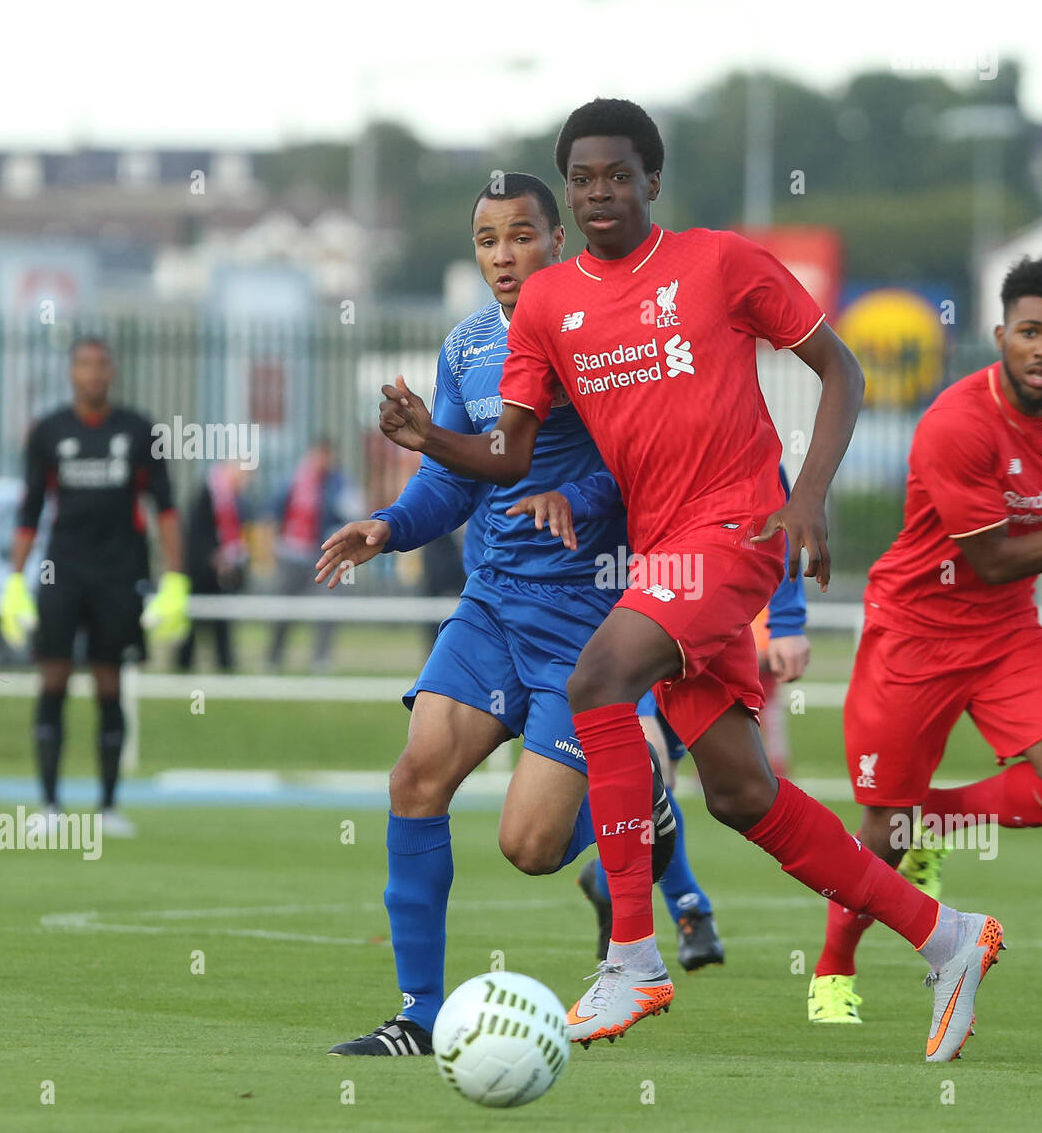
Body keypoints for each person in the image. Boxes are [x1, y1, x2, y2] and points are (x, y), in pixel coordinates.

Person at [379, 99, 1004, 1062]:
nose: (598, 193)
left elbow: (841, 371)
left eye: (617, 175)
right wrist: (432, 441)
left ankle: (633, 954)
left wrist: (812, 498)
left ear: (652, 181)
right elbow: (507, 454)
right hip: (663, 548)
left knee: (598, 681)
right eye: (582, 178)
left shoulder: (717, 262)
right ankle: (948, 935)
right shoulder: (547, 306)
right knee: (744, 795)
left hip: (735, 528)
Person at [318, 173, 674, 1057]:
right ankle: (421, 1013)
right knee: (415, 778)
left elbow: (647, 462)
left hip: (588, 616)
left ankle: (646, 807)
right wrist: (389, 525)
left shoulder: (606, 335)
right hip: (492, 604)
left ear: (557, 241)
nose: (504, 255)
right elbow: (452, 473)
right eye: (487, 240)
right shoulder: (468, 345)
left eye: (521, 235)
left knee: (531, 847)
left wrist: (578, 498)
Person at [808, 256, 1042, 1026]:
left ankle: (933, 821)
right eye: (1030, 331)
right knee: (882, 827)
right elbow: (993, 555)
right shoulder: (954, 423)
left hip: (1006, 631)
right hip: (913, 631)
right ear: (1000, 333)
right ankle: (834, 969)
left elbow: (1011, 567)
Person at [576, 465, 811, 970]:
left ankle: (608, 880)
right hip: (605, 618)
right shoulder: (588, 407)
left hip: (684, 614)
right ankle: (687, 911)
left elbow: (777, 512)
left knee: (683, 787)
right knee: (647, 769)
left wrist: (788, 620)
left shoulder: (724, 417)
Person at [0, 336, 190, 836]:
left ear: (113, 372)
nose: (93, 373)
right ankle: (48, 807)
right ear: (71, 373)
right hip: (61, 572)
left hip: (119, 574)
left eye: (102, 364)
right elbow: (30, 512)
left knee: (110, 685)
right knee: (53, 681)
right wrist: (16, 581)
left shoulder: (139, 431)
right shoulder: (47, 432)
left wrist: (175, 577)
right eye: (84, 365)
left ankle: (107, 808)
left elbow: (166, 508)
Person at [266, 441, 362, 673]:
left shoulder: (338, 483)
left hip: (321, 555)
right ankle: (274, 657)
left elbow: (353, 512)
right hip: (291, 553)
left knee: (327, 607)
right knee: (283, 610)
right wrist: (273, 548)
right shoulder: (292, 479)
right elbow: (272, 511)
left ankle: (321, 657)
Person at [177, 463, 250, 673]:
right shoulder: (209, 496)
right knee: (193, 619)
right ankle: (184, 662)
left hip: (218, 570)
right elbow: (196, 534)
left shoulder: (231, 499)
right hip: (201, 569)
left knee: (220, 619)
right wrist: (214, 557)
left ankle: (224, 662)